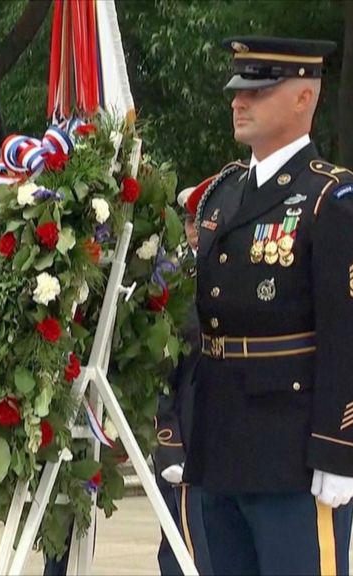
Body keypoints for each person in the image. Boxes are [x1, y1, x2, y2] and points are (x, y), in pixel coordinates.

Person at [184, 36, 353, 575]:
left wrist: (342, 447)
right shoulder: (225, 195)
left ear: (304, 98)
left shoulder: (331, 200)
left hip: (292, 453)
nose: (239, 101)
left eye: (258, 90)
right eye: (238, 89)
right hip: (222, 445)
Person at [152, 186, 212, 576]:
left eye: (203, 220)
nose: (197, 229)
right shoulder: (169, 279)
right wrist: (169, 442)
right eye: (192, 221)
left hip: (226, 434)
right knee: (178, 547)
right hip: (186, 428)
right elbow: (160, 371)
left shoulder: (237, 271)